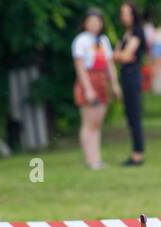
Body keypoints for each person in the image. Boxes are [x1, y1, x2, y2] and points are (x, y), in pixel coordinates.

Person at [72, 9, 120, 171]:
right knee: (88, 123)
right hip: (89, 81)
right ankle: (90, 159)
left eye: (97, 21)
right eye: (91, 21)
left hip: (101, 81)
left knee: (97, 123)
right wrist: (88, 89)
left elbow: (109, 64)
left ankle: (97, 158)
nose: (94, 24)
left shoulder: (103, 40)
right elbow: (80, 67)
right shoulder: (81, 41)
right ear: (85, 23)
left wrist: (114, 84)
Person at [114, 3, 147, 166]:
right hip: (126, 76)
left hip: (133, 76)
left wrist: (121, 55)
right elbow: (116, 56)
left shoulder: (137, 32)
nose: (123, 17)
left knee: (135, 116)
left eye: (126, 13)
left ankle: (138, 154)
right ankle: (135, 152)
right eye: (122, 13)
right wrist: (122, 55)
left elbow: (125, 56)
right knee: (130, 115)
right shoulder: (125, 34)